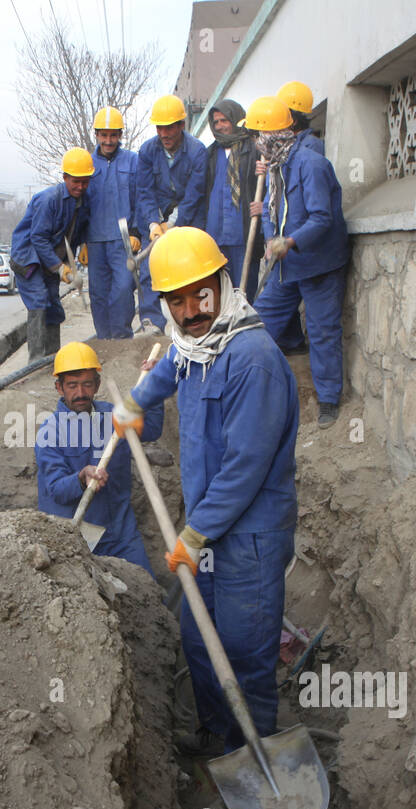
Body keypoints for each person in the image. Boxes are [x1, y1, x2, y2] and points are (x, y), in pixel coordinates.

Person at [112, 227, 297, 758]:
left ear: (221, 284)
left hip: (249, 537)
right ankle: (215, 735)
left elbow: (245, 466)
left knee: (244, 650)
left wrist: (195, 533)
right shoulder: (192, 344)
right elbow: (170, 367)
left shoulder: (252, 357)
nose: (191, 310)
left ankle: (251, 748)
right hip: (206, 530)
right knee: (198, 639)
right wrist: (137, 402)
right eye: (177, 300)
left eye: (201, 295)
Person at [250, 88, 349, 427]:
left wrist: (289, 241)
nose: (257, 142)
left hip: (319, 263)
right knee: (258, 321)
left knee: (322, 331)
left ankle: (328, 400)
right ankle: (247, 387)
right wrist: (269, 239)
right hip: (286, 264)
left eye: (260, 135)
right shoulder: (277, 166)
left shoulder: (311, 163)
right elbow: (269, 211)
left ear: (278, 134)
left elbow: (322, 217)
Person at [34, 342, 162, 573]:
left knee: (147, 594)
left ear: (97, 385)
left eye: (87, 384)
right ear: (59, 388)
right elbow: (56, 489)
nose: (80, 393)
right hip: (79, 537)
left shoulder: (113, 415)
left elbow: (152, 429)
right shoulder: (50, 432)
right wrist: (81, 478)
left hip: (121, 530)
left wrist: (155, 385)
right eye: (72, 386)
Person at [10, 148, 93, 360]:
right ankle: (35, 362)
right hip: (29, 259)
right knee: (39, 301)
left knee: (54, 305)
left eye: (85, 181)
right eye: (75, 181)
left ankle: (53, 359)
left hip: (51, 258)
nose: (80, 186)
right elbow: (38, 238)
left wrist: (82, 247)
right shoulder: (48, 200)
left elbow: (73, 234)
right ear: (65, 177)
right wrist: (59, 268)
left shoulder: (82, 201)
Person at [135, 94, 208, 331]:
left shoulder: (197, 152)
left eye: (169, 128)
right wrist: (153, 224)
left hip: (189, 216)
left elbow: (194, 195)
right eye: (160, 128)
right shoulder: (147, 151)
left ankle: (194, 319)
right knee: (149, 270)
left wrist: (173, 223)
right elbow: (144, 191)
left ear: (181, 126)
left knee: (191, 268)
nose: (164, 134)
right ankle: (151, 321)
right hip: (157, 213)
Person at [84, 106, 141, 339]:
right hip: (95, 241)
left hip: (123, 241)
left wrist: (136, 231)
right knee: (98, 293)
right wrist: (81, 243)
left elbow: (140, 197)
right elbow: (80, 206)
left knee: (124, 289)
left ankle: (121, 339)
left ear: (120, 135)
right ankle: (104, 340)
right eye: (104, 135)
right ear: (96, 134)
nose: (109, 140)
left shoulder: (133, 161)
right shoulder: (86, 163)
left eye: (114, 135)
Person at [202, 99, 260, 303]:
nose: (219, 126)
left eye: (224, 120)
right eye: (216, 122)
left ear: (236, 119)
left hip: (242, 233)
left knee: (245, 292)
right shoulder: (210, 154)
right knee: (217, 293)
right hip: (215, 234)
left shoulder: (253, 150)